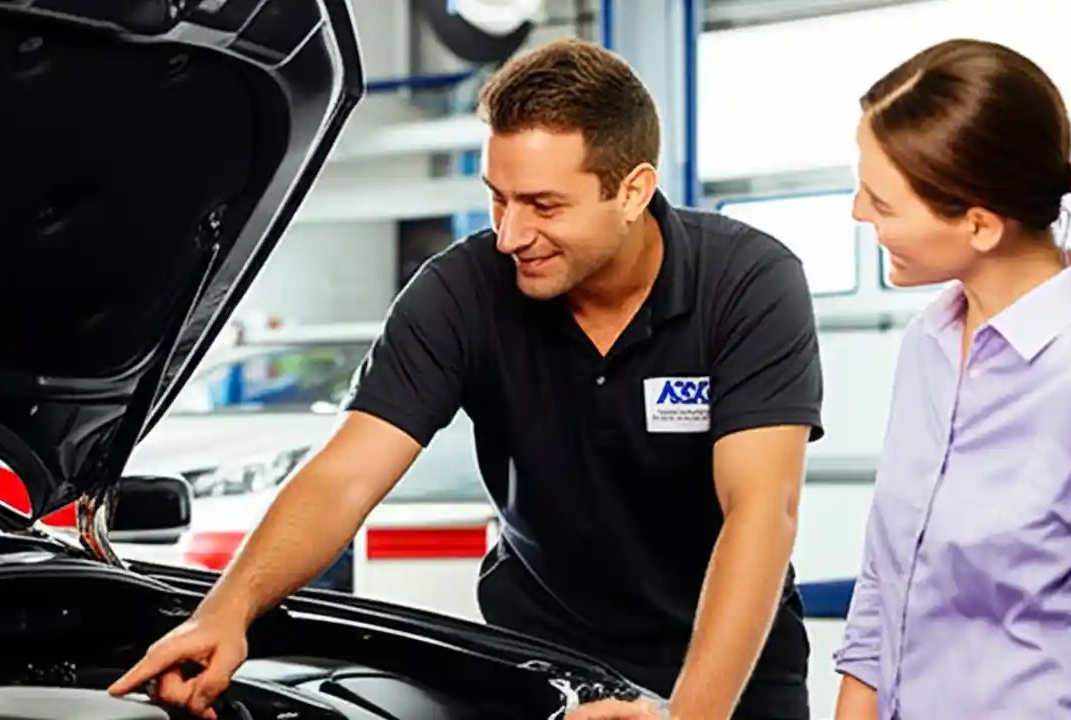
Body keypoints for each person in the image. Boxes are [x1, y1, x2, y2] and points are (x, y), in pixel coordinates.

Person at [109, 37, 824, 720]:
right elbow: (345, 476)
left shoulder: (747, 283)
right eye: (498, 197)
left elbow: (760, 511)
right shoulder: (462, 291)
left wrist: (690, 713)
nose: (510, 235)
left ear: (633, 191)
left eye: (544, 205)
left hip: (732, 669)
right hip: (546, 661)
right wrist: (226, 611)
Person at [832, 37, 1071, 720]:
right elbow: (885, 591)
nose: (859, 212)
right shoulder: (929, 345)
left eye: (882, 203)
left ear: (979, 225)